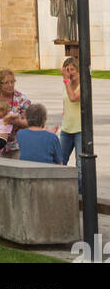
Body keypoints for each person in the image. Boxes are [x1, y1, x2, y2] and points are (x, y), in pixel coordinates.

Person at [0, 69, 30, 153]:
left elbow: (29, 123)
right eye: (6, 83)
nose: (10, 85)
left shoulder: (22, 99)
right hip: (0, 144)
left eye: (12, 82)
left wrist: (16, 121)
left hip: (19, 145)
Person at [60, 56, 82, 191]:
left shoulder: (84, 84)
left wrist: (66, 81)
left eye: (72, 69)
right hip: (66, 129)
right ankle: (62, 190)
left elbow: (73, 98)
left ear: (78, 70)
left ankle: (80, 195)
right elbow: (66, 102)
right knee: (60, 162)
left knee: (80, 166)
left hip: (80, 130)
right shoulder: (66, 84)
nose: (70, 72)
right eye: (67, 70)